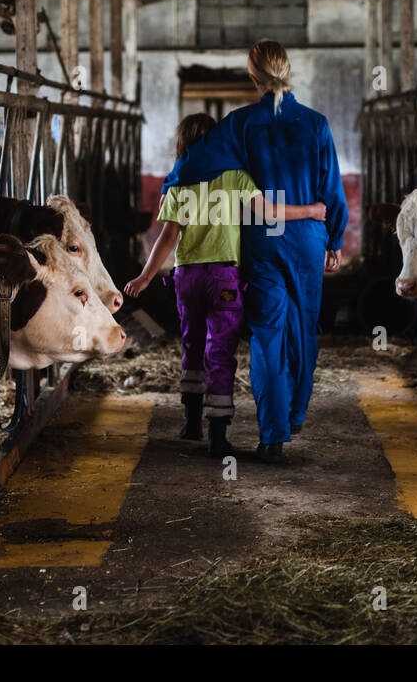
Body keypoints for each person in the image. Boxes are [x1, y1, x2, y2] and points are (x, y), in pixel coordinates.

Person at [159, 40, 348, 464]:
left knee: (267, 334)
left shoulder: (240, 124)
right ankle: (295, 412)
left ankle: (273, 434)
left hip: (262, 238)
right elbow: (331, 187)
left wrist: (172, 182)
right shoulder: (316, 124)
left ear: (252, 75)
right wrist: (334, 236)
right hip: (306, 236)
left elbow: (194, 163)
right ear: (288, 70)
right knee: (304, 326)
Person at [125, 113, 325, 458]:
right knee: (219, 351)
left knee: (191, 344)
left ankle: (190, 422)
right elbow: (268, 212)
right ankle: (217, 435)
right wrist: (311, 210)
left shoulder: (177, 182)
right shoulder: (234, 177)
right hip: (224, 278)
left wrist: (145, 276)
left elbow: (168, 235)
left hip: (186, 276)